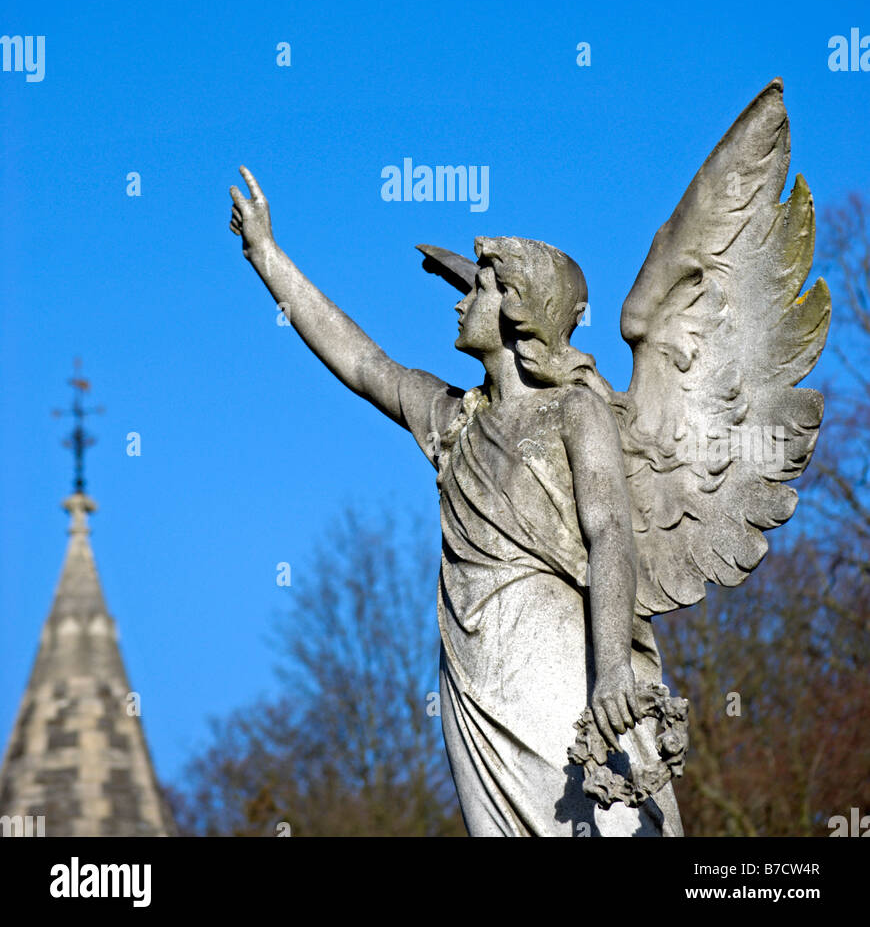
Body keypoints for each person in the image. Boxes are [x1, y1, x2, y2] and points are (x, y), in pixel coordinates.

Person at [229, 167, 681, 837]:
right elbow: (362, 363)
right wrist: (268, 257)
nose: (460, 302)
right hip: (472, 671)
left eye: (481, 287)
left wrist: (613, 667)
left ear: (520, 310)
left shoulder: (574, 411)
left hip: (556, 649)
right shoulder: (452, 420)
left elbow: (611, 532)